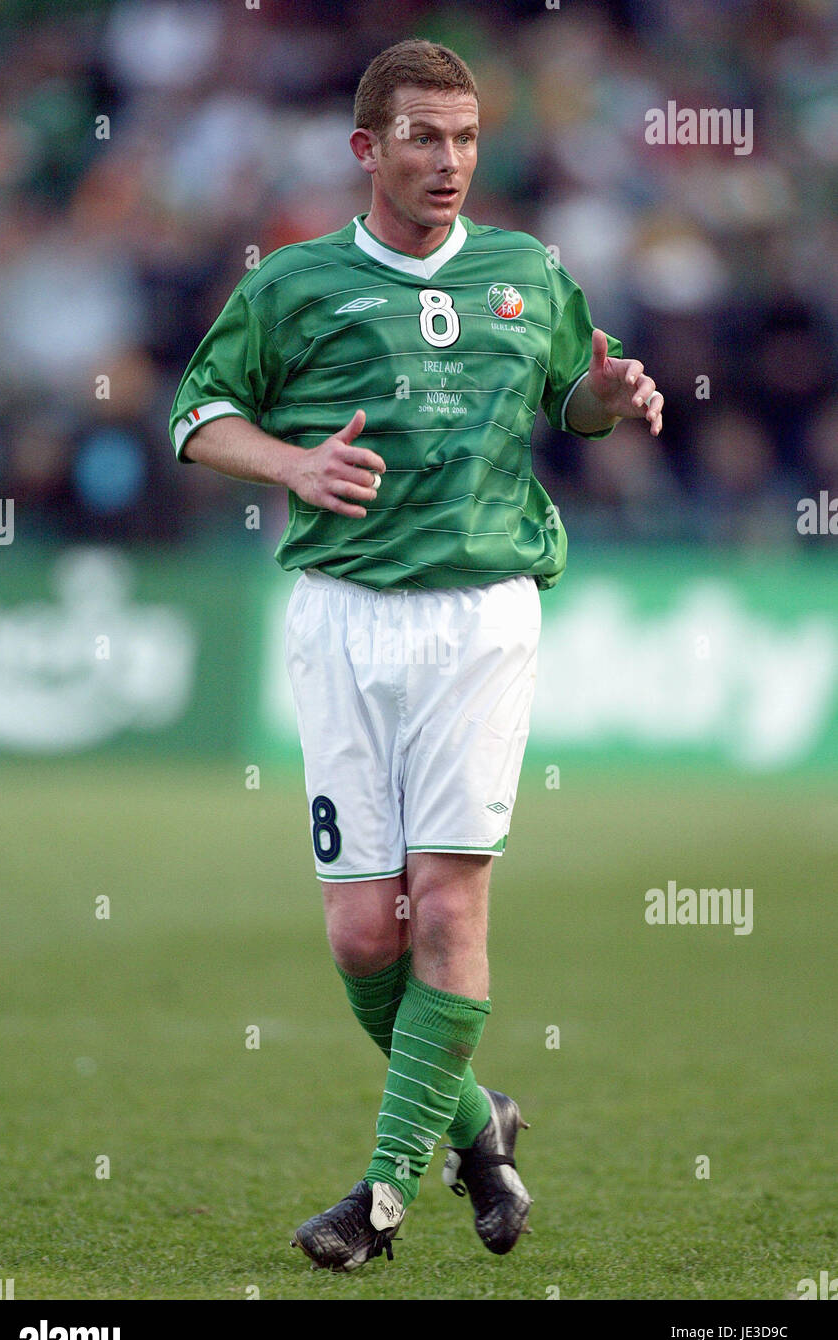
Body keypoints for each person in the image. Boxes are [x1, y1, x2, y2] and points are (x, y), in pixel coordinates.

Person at [169, 38, 663, 1273]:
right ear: (366, 148)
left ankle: (378, 1202)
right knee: (360, 937)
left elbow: (573, 400)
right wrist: (290, 463)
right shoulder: (289, 285)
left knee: (444, 907)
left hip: (480, 613)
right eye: (422, 138)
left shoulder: (528, 273)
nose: (448, 161)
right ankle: (474, 1120)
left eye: (464, 138)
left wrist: (608, 396)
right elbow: (195, 414)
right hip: (340, 616)